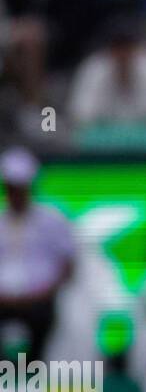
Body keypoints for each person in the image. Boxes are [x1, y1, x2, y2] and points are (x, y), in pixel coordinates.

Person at [0, 148, 75, 363]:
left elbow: (68, 265)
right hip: (2, 300)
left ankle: (34, 375)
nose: (15, 195)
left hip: (40, 301)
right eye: (11, 189)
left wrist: (45, 292)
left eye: (20, 189)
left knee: (43, 323)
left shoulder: (52, 220)